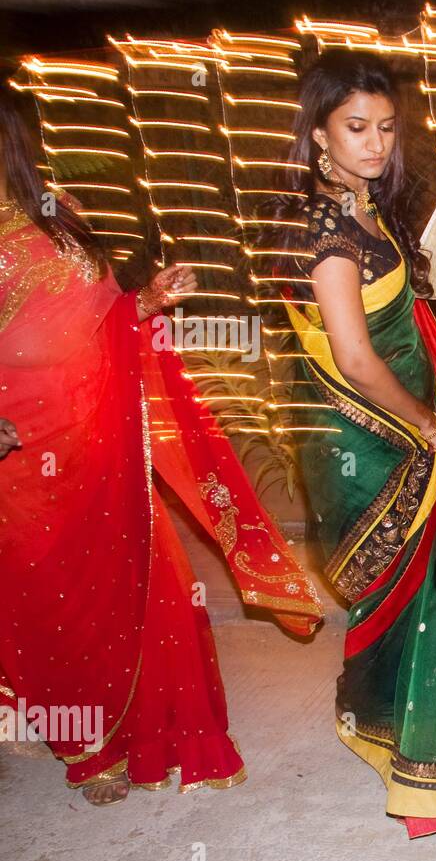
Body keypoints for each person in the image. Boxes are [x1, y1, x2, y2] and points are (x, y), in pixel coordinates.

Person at [0, 84, 321, 805]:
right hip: (18, 453)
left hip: (96, 437)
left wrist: (147, 300)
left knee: (138, 581)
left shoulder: (60, 219)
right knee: (46, 603)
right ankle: (88, 747)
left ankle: (154, 731)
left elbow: (104, 316)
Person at [274, 51, 436, 838]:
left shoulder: (364, 207)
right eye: (356, 128)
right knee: (430, 584)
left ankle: (394, 719)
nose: (375, 144)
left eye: (384, 128)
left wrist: (434, 275)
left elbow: (398, 308)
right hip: (378, 434)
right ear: (317, 132)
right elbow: (353, 355)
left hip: (409, 415)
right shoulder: (326, 231)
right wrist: (423, 421)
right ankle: (434, 763)